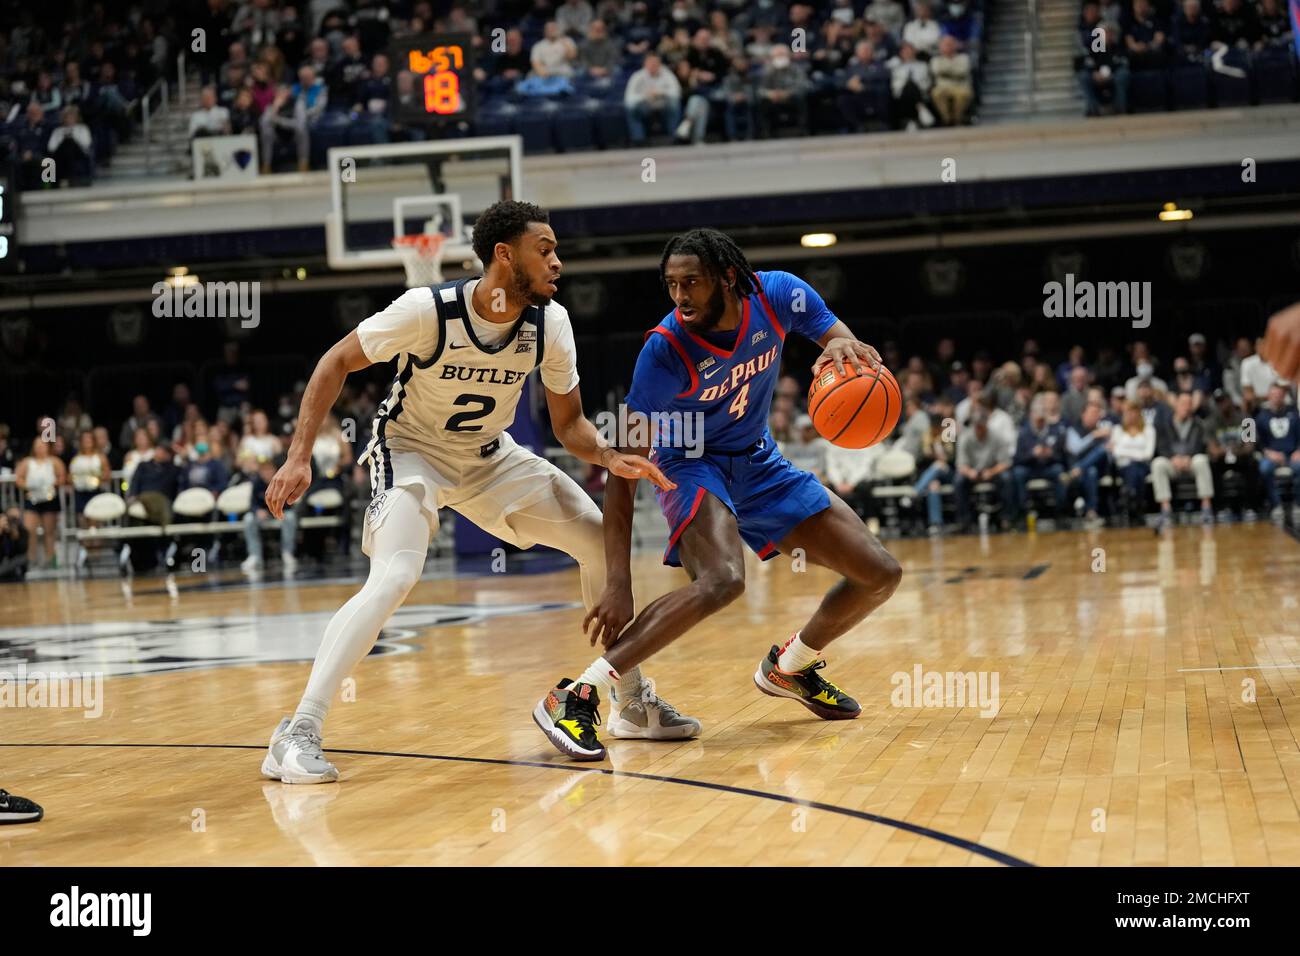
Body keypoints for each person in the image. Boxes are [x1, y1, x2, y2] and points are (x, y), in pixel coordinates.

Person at [259, 201, 694, 783]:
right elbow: (335, 361)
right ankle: (298, 731)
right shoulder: (427, 311)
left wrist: (611, 454)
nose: (558, 263)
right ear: (504, 255)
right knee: (395, 576)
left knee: (600, 540)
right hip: (410, 453)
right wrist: (298, 456)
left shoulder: (551, 324)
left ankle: (631, 701)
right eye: (546, 250)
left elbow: (569, 427)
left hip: (492, 458)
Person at [538, 228, 902, 761]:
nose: (680, 297)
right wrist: (618, 581)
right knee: (723, 579)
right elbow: (623, 466)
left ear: (729, 278)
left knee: (881, 574)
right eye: (671, 285)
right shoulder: (664, 351)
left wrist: (842, 341)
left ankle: (791, 666)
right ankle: (578, 693)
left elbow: (832, 333)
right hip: (688, 462)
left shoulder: (777, 294)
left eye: (692, 283)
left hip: (758, 459)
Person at [1151, 391, 1215, 528]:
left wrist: (1189, 458)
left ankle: (1206, 508)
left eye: (1189, 404)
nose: (1186, 407)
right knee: (1158, 464)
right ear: (1176, 405)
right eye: (1183, 404)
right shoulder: (1164, 424)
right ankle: (1165, 509)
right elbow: (1161, 446)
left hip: (1191, 463)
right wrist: (1172, 458)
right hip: (1172, 463)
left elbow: (1201, 446)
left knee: (1202, 460)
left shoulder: (1198, 424)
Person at [15, 437, 66, 568]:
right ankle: (31, 560)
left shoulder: (54, 461)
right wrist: (28, 485)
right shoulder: (27, 462)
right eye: (37, 446)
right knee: (30, 530)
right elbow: (18, 478)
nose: (40, 448)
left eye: (42, 446)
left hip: (49, 499)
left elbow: (62, 476)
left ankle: (51, 560)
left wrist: (52, 484)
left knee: (49, 532)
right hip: (32, 498)